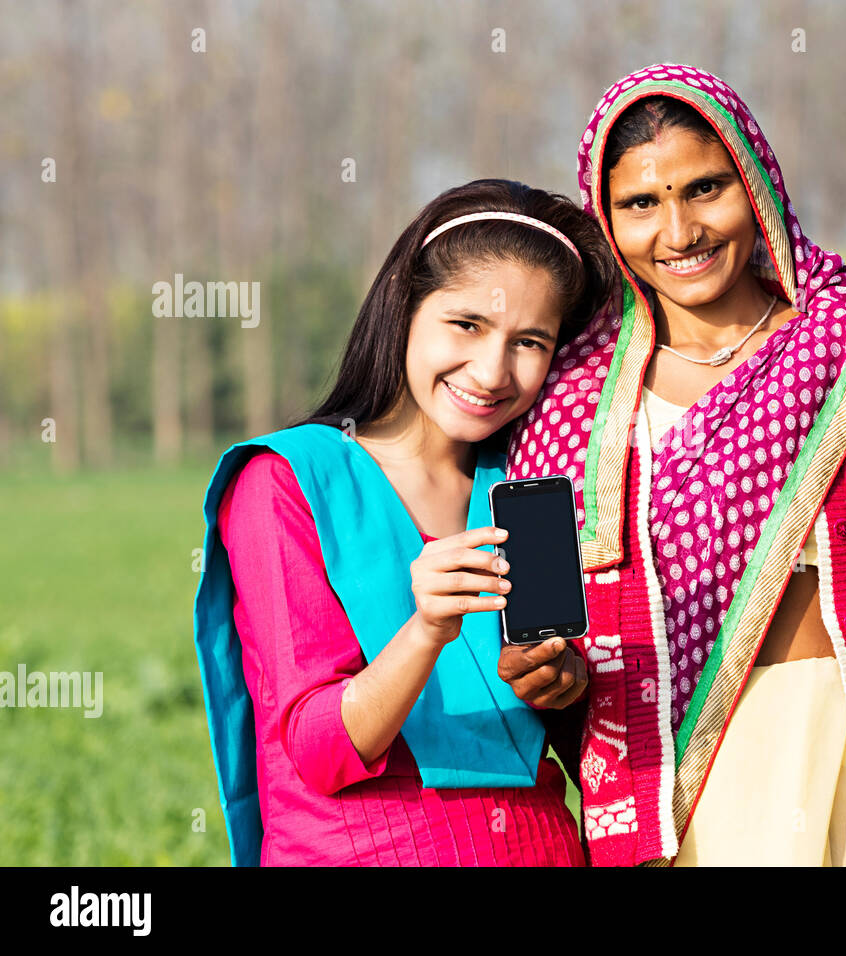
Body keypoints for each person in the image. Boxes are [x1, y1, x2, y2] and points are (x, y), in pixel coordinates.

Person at [499, 65, 846, 866]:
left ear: (756, 184)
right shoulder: (571, 404)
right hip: (681, 798)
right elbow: (543, 640)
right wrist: (548, 676)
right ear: (606, 220)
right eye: (642, 203)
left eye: (706, 188)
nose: (679, 232)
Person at [192, 179, 616, 865]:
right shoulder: (286, 481)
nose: (491, 370)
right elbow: (323, 750)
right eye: (467, 324)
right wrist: (424, 631)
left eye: (530, 341)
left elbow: (588, 736)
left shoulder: (534, 486)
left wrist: (561, 687)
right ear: (405, 307)